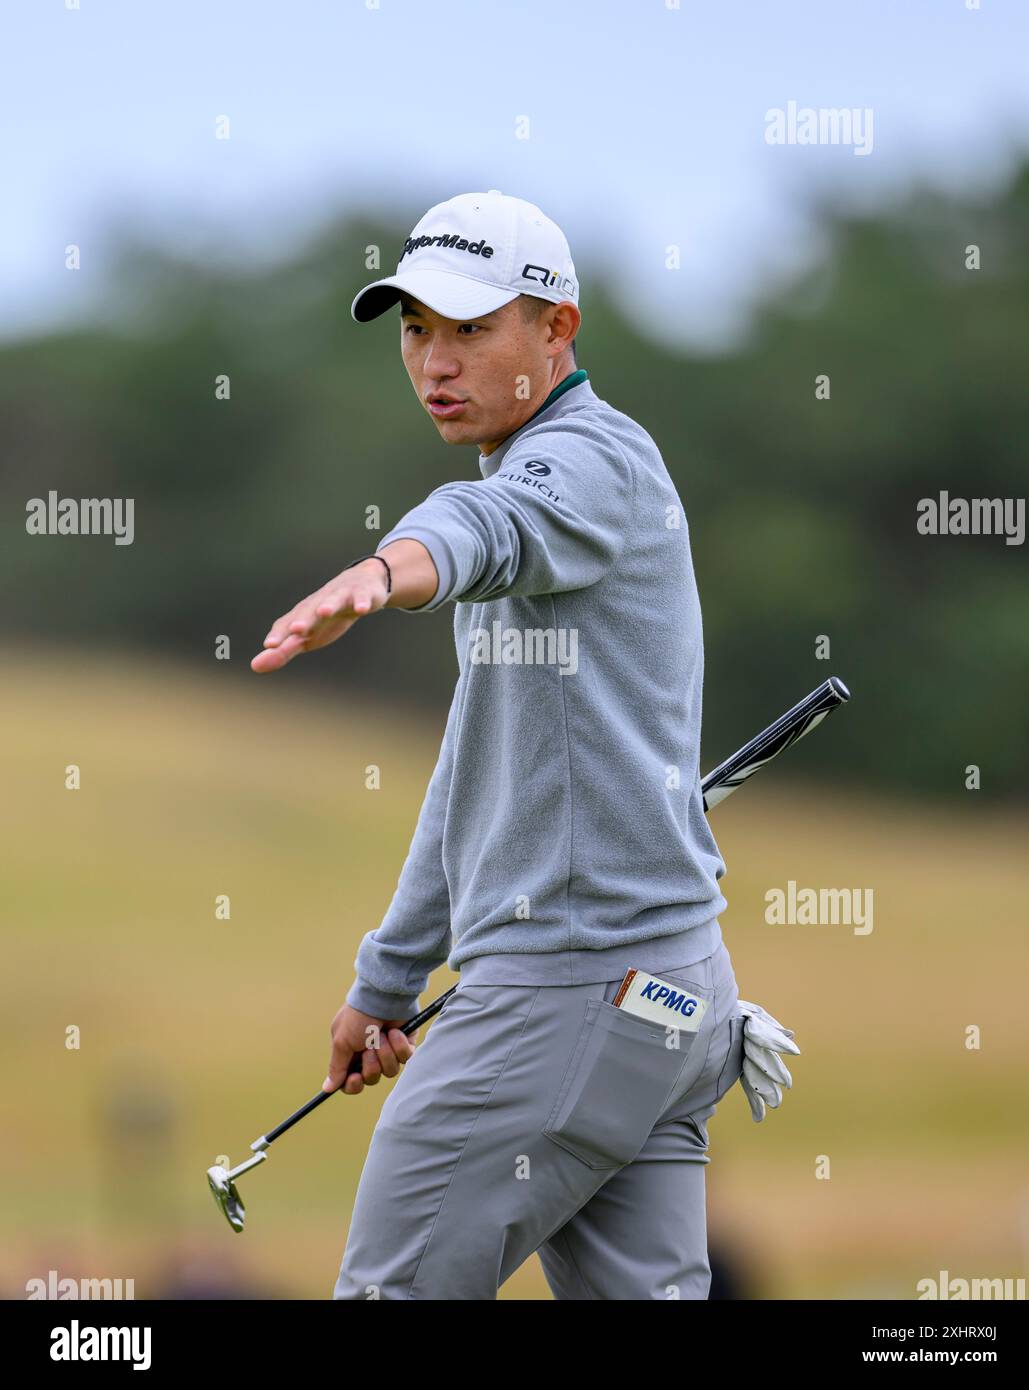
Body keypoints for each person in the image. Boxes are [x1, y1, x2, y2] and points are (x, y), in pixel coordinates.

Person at [251, 191, 793, 1300]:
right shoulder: (533, 473)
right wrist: (390, 976)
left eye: (471, 328)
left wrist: (383, 569)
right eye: (416, 330)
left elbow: (481, 528)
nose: (435, 362)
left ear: (558, 329)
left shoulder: (592, 463)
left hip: (571, 992)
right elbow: (473, 777)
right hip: (667, 1000)